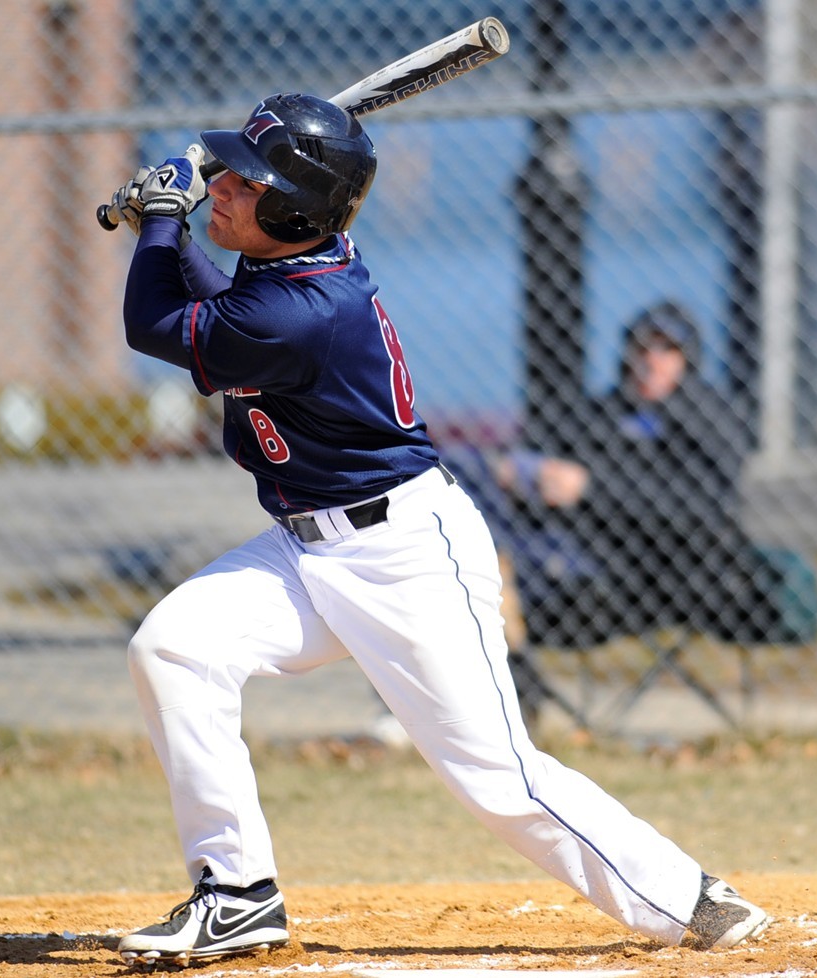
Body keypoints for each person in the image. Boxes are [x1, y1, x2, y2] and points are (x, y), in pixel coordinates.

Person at [101, 93, 770, 970]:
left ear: (296, 212)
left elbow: (156, 324)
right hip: (306, 550)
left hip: (403, 554)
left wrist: (160, 221)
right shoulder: (287, 269)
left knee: (495, 777)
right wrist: (179, 225)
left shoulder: (303, 310)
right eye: (224, 173)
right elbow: (204, 313)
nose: (222, 185)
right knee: (175, 648)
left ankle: (689, 899)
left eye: (245, 179)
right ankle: (236, 895)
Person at [448, 301, 791, 723]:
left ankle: (509, 672)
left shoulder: (709, 418)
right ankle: (501, 672)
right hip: (562, 545)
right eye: (643, 348)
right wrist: (524, 473)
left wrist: (590, 489)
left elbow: (698, 507)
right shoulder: (602, 413)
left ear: (688, 359)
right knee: (463, 470)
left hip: (646, 571)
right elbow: (549, 452)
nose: (651, 361)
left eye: (667, 350)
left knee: (476, 573)